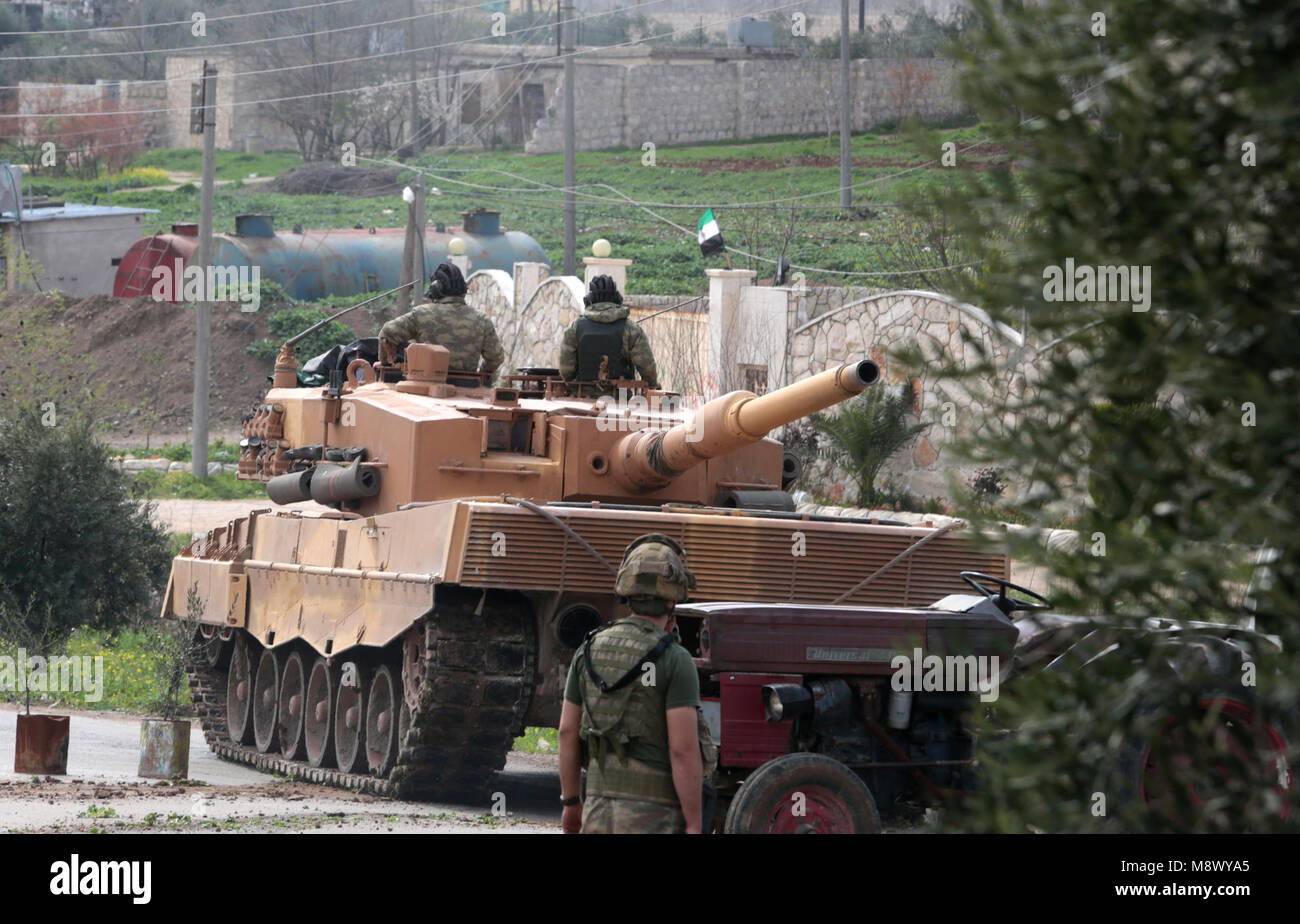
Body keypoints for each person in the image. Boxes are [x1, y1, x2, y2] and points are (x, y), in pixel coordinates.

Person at [558, 533, 716, 834]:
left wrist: (570, 804)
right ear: (673, 598)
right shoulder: (674, 658)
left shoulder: (588, 650)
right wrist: (694, 822)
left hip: (598, 810)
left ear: (625, 590)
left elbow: (567, 731)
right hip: (655, 816)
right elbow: (682, 749)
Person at [378, 262, 505, 386]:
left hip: (424, 387)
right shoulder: (482, 320)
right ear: (463, 289)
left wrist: (388, 364)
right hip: (467, 387)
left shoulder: (422, 314)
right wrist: (481, 376)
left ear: (435, 289)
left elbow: (387, 333)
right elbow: (495, 357)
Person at [558, 275, 659, 395]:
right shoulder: (631, 329)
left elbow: (565, 371)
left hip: (582, 397)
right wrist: (652, 385)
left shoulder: (575, 328)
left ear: (589, 300)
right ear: (617, 299)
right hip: (620, 400)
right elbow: (647, 369)